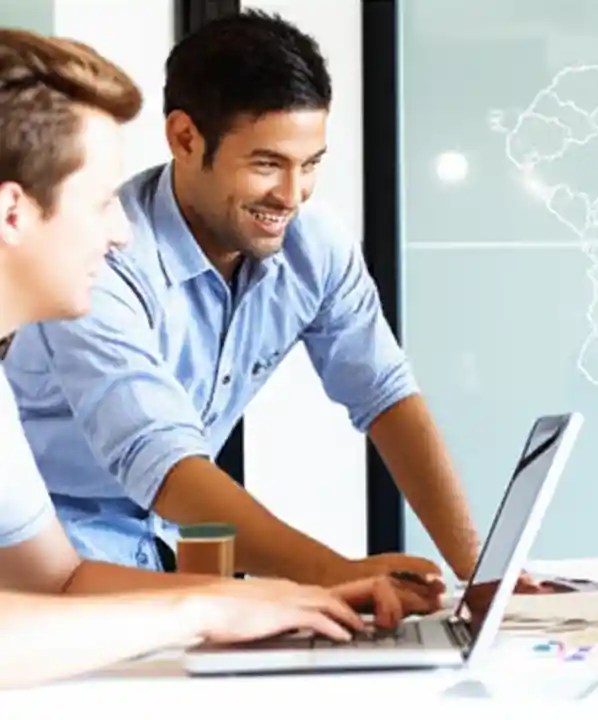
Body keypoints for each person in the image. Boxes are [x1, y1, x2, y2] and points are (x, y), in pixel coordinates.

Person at [2, 11, 513, 596]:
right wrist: (330, 576)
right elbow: (158, 457)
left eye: (311, 165)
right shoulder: (104, 264)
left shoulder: (313, 246)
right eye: (267, 164)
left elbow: (385, 393)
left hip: (154, 558)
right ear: (185, 139)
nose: (292, 196)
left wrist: (480, 574)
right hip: (55, 549)